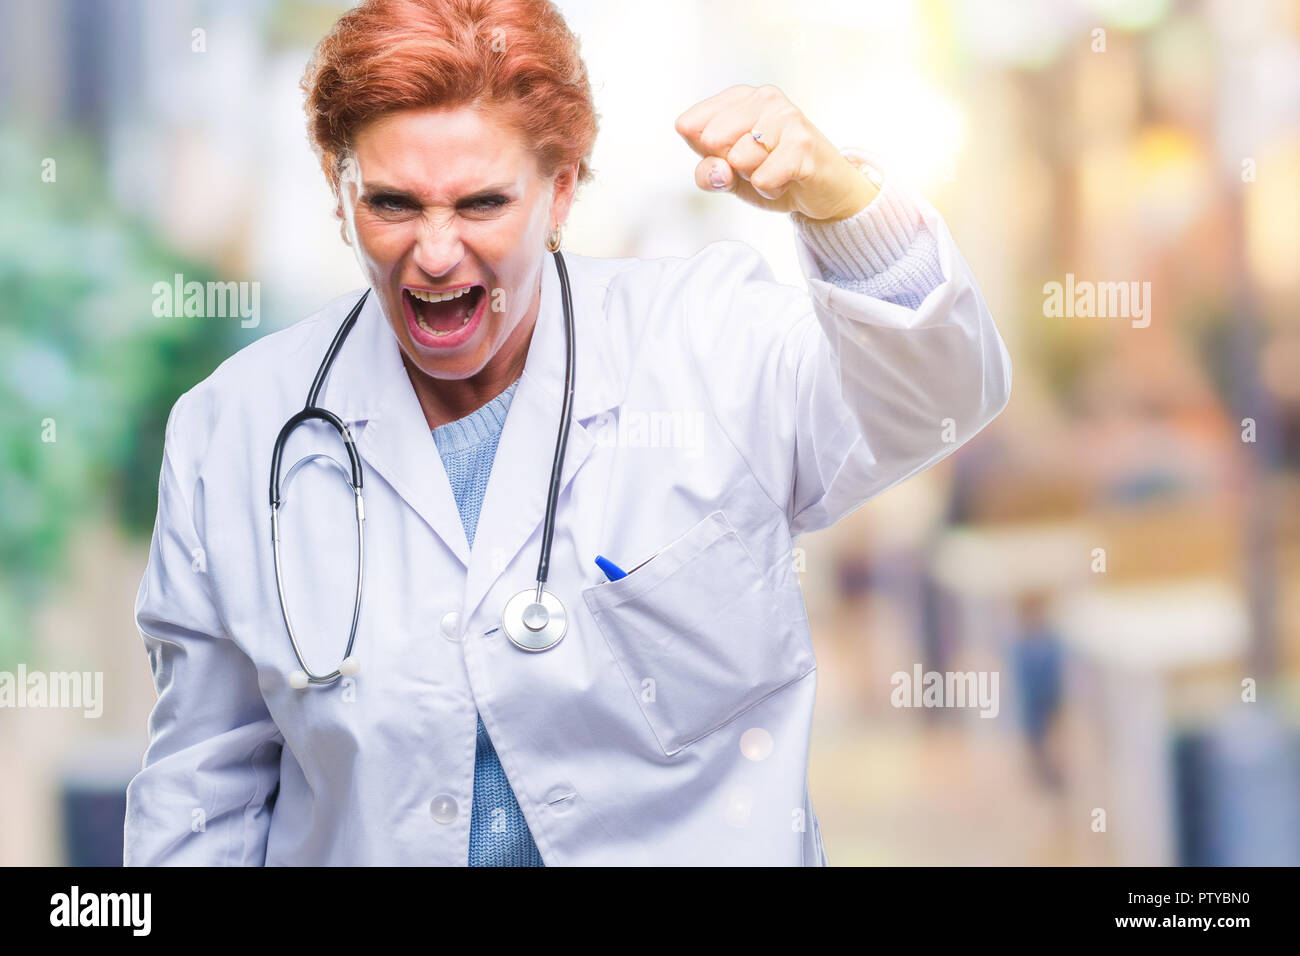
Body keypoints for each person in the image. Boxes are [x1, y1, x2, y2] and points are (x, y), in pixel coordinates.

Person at [123, 0, 1012, 866]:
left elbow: (942, 394)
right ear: (337, 186)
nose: (434, 254)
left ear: (560, 192)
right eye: (393, 204)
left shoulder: (702, 342)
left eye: (480, 204)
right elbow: (205, 792)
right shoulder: (235, 429)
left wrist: (841, 202)